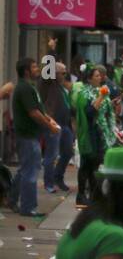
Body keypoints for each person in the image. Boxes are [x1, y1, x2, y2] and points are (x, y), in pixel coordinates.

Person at [12, 58, 60, 218]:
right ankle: (28, 207)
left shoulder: (29, 87)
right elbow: (33, 113)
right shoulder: (25, 88)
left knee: (24, 170)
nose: (37, 69)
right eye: (34, 67)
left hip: (30, 136)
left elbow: (39, 109)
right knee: (30, 173)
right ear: (26, 71)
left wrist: (49, 119)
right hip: (27, 136)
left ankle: (12, 199)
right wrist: (49, 126)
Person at [73, 66, 115, 207]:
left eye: (100, 76)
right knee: (86, 165)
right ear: (89, 78)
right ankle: (81, 195)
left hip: (99, 133)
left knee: (95, 165)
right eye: (96, 76)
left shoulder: (100, 91)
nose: (99, 78)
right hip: (89, 133)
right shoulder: (84, 93)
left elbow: (105, 111)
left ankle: (93, 195)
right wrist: (101, 97)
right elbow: (90, 113)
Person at [41, 64, 74, 194]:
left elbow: (66, 106)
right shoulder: (50, 85)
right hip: (54, 123)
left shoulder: (61, 88)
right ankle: (48, 183)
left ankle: (57, 177)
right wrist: (52, 51)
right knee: (52, 155)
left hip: (65, 125)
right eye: (62, 73)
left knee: (68, 152)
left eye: (66, 73)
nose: (65, 75)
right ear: (54, 74)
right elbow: (47, 75)